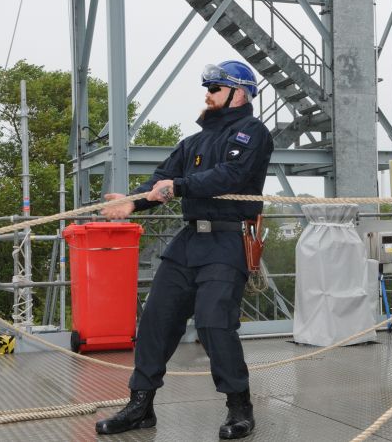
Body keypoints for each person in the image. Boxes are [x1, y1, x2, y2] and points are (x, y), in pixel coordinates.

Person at [95, 60, 274, 440]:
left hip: (227, 240)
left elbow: (230, 176)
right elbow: (162, 178)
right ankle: (141, 405)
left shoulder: (252, 132)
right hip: (190, 240)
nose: (207, 95)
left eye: (214, 88)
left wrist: (178, 187)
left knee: (213, 322)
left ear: (238, 94)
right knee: (155, 320)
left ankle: (239, 407)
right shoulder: (193, 142)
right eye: (207, 88)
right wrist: (132, 203)